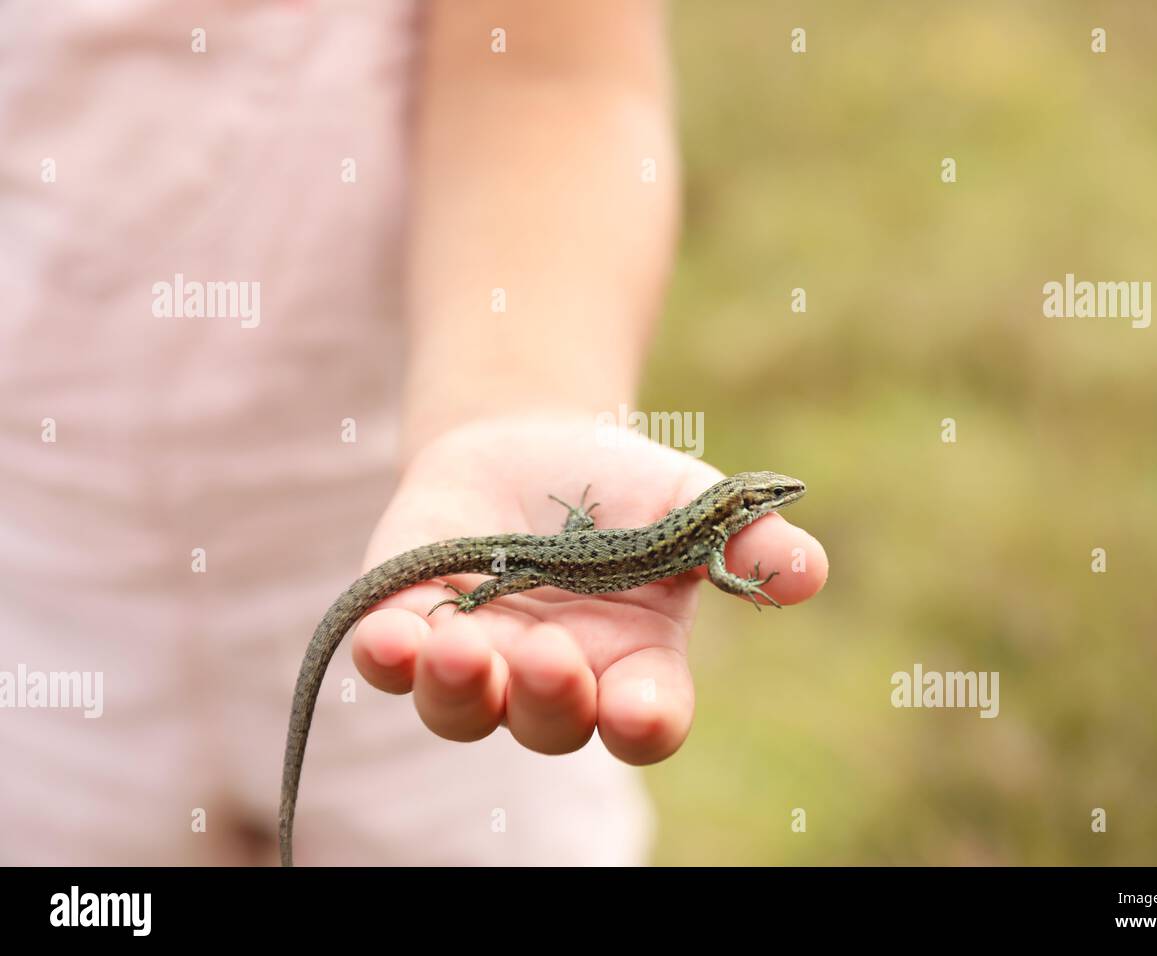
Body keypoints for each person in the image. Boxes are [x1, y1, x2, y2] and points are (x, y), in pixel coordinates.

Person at [0, 0, 828, 864]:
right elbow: (722, 576)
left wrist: (521, 408)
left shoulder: (708, 529)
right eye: (771, 497)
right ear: (743, 506)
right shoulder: (712, 537)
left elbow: (550, 74)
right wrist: (484, 590)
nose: (778, 502)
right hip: (35, 587)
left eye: (772, 497)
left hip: (403, 500)